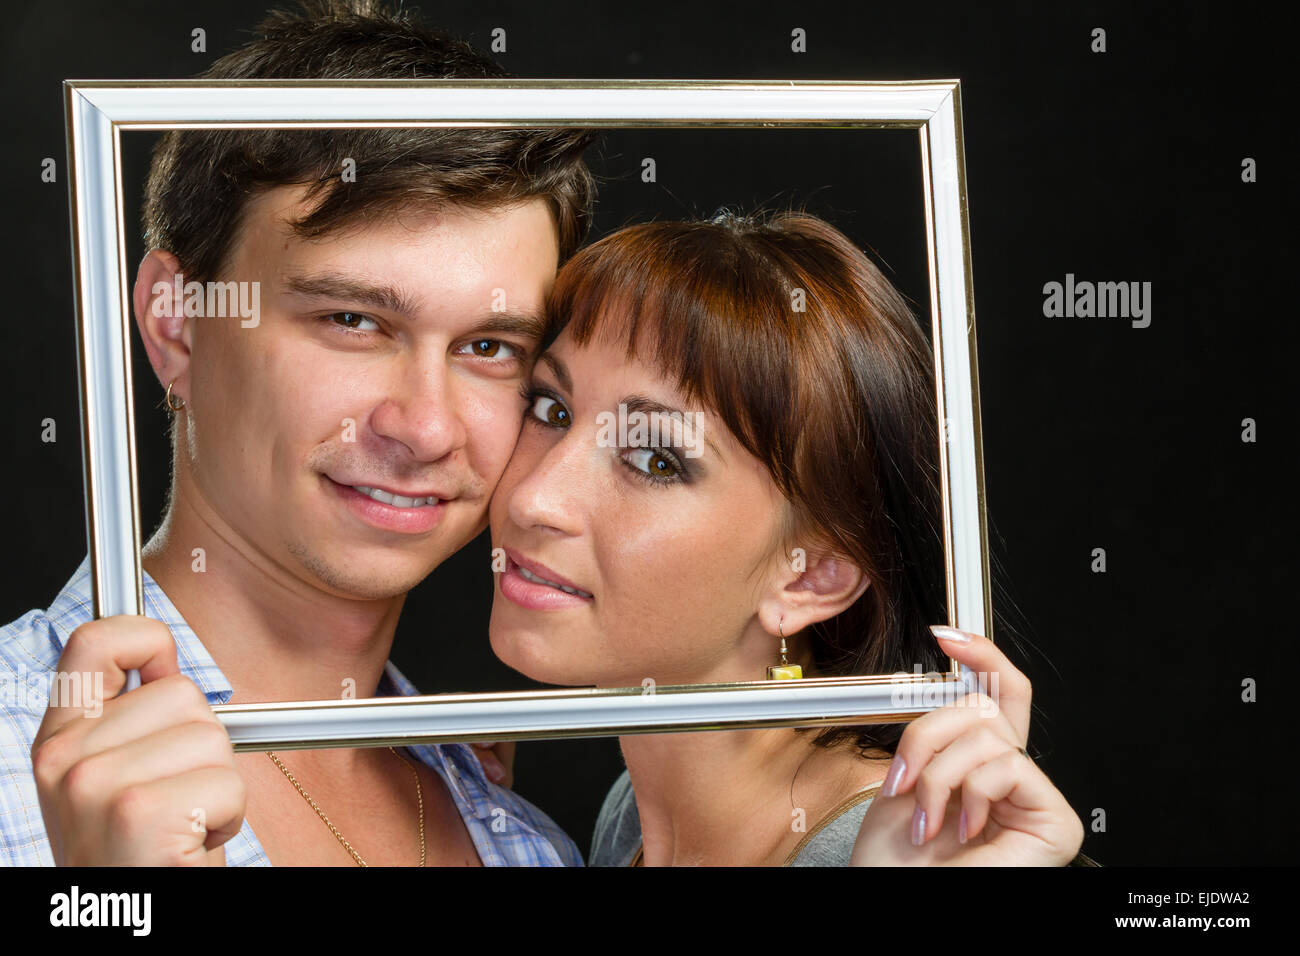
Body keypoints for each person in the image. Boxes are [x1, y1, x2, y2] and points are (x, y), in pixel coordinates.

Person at [1, 0, 597, 866]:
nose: (425, 427)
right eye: (353, 321)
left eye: (488, 346)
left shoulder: (526, 843)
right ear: (176, 325)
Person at [487, 208, 1091, 865]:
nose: (532, 497)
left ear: (811, 576)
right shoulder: (631, 813)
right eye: (552, 408)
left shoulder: (908, 849)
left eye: (655, 459)